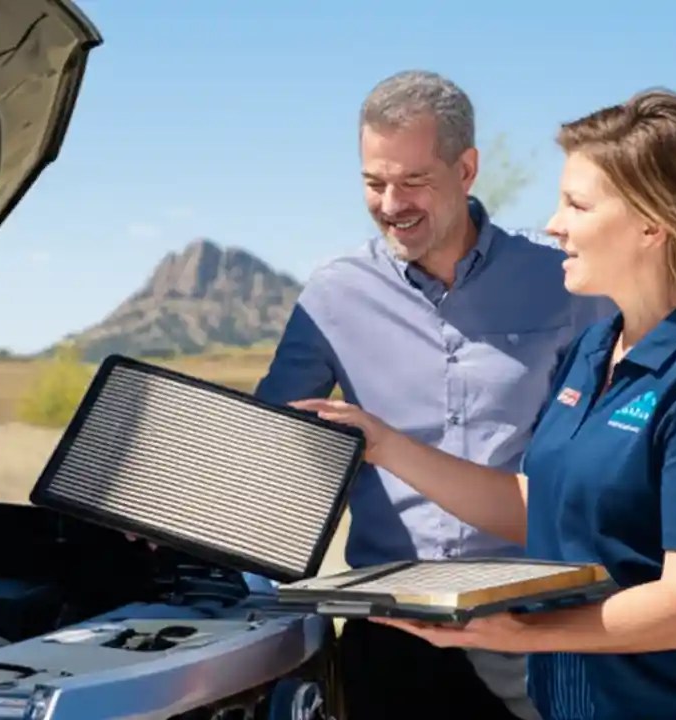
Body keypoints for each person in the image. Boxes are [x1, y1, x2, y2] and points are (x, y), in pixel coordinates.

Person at [290, 87, 676, 720]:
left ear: (652, 222)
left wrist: (522, 635)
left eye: (577, 204)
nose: (553, 225)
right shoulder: (594, 350)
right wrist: (387, 445)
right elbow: (536, 505)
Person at [253, 70, 611, 720]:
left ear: (467, 168)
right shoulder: (333, 296)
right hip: (389, 633)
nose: (391, 203)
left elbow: (607, 448)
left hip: (534, 624)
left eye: (413, 181)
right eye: (374, 182)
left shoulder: (563, 281)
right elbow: (273, 441)